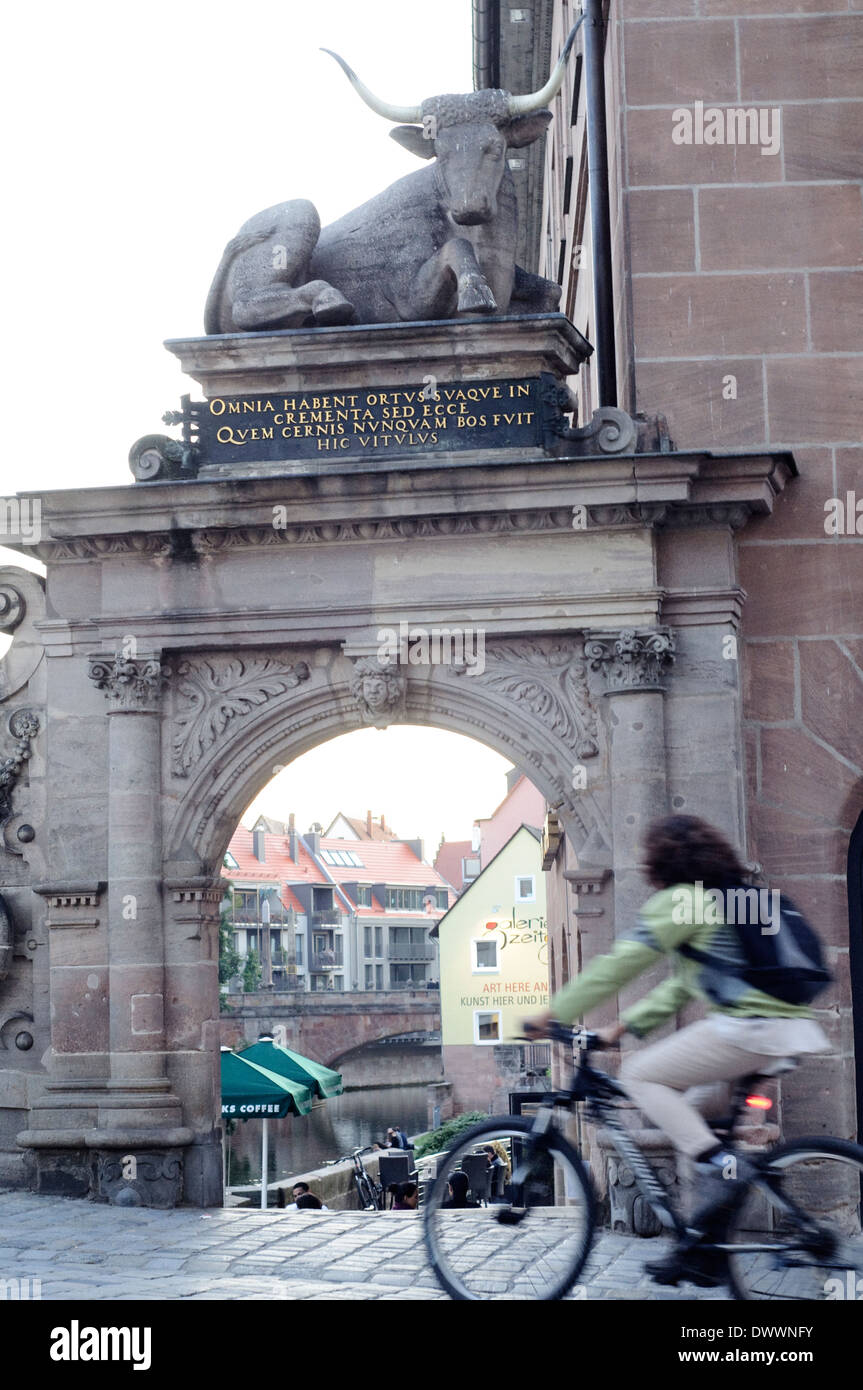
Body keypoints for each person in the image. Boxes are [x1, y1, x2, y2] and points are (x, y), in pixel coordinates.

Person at [524, 814, 830, 1288]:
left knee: (641, 1078)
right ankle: (701, 1246)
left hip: (750, 1029)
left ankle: (727, 1169)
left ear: (659, 862)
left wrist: (553, 1013)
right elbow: (681, 988)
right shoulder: (725, 899)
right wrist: (618, 1029)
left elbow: (619, 964)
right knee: (691, 1112)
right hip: (787, 1029)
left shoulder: (680, 901)